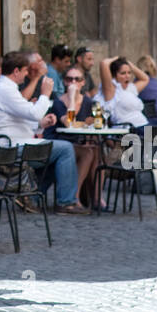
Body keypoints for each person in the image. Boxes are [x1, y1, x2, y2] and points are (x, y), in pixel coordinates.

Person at [0, 51, 87, 214]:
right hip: (9, 149)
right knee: (65, 149)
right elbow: (34, 113)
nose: (26, 75)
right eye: (24, 71)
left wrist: (41, 124)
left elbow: (19, 119)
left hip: (11, 144)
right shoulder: (5, 89)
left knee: (58, 154)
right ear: (16, 71)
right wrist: (45, 94)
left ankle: (31, 197)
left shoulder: (5, 88)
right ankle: (66, 202)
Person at [44, 66, 102, 209]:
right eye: (70, 79)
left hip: (80, 142)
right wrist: (71, 98)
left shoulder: (91, 102)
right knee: (88, 152)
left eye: (77, 79)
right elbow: (69, 123)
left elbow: (100, 123)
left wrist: (88, 125)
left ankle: (96, 197)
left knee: (96, 150)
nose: (73, 82)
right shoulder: (58, 102)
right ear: (64, 82)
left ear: (83, 82)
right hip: (61, 143)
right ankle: (74, 197)